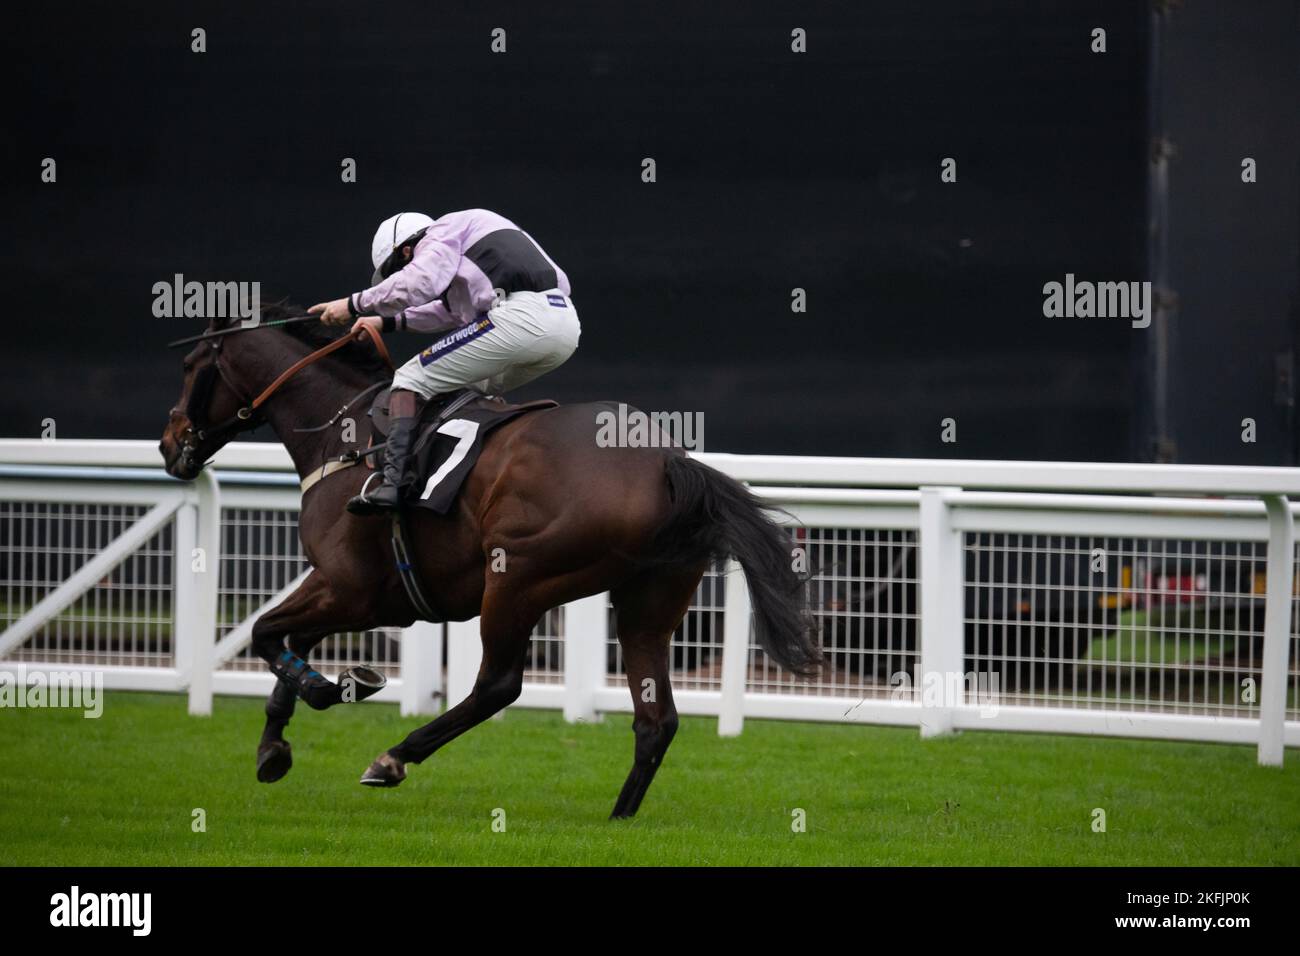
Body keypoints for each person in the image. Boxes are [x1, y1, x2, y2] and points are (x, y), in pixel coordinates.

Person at [310, 209, 580, 515]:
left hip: (519, 320)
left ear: (408, 250)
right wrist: (384, 322)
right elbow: (451, 312)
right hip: (564, 328)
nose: (400, 276)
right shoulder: (469, 242)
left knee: (410, 378)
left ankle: (393, 484)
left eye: (398, 268)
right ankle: (468, 478)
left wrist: (351, 305)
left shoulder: (442, 230)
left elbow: (419, 283)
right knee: (463, 391)